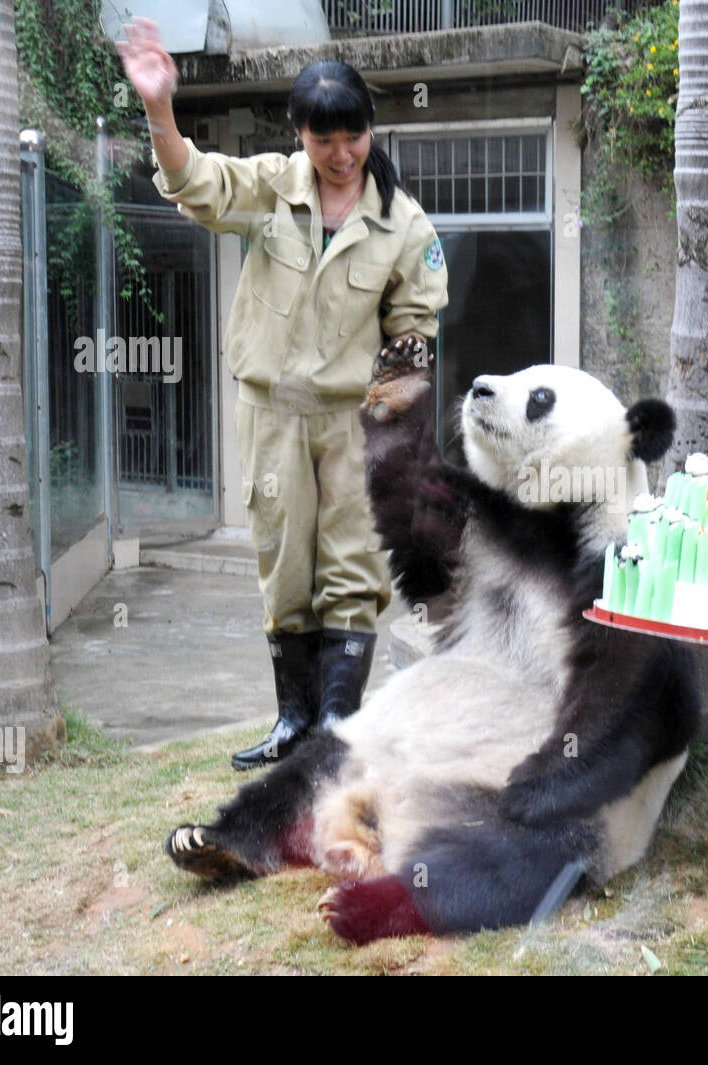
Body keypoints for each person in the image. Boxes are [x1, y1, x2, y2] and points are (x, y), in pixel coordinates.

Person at [118, 19, 449, 769]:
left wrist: (397, 444)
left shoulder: (403, 225)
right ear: (299, 134)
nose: (340, 155)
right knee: (282, 560)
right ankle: (293, 721)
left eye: (353, 137)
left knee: (354, 565)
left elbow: (411, 334)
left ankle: (337, 730)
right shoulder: (271, 187)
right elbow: (196, 182)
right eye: (322, 139)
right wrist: (161, 111)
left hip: (352, 421)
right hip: (270, 412)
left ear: (370, 127)